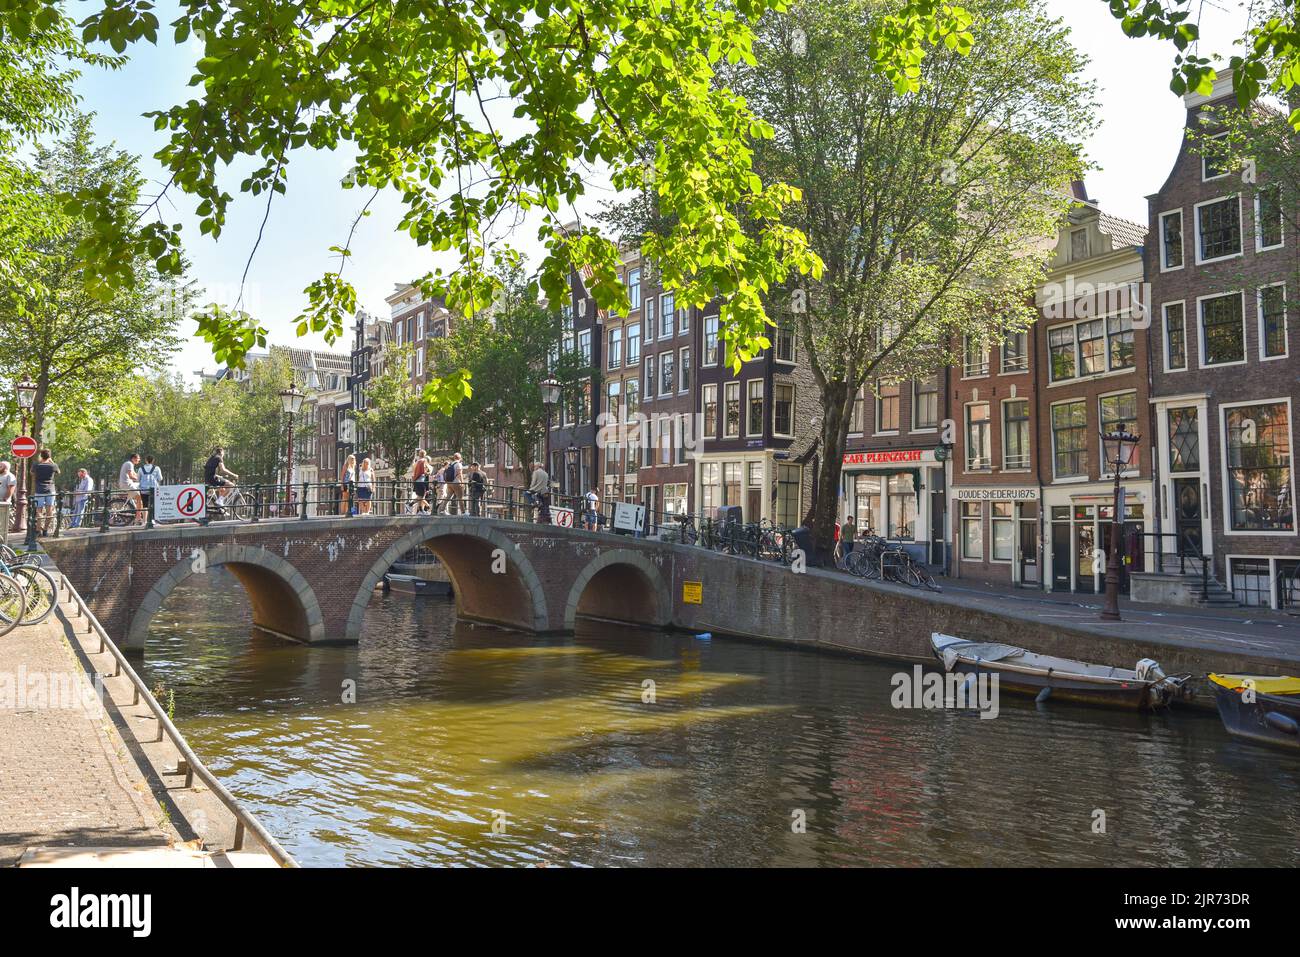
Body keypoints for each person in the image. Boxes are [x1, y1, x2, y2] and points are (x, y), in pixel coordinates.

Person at [203, 447, 239, 513]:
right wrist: (234, 475)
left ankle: (220, 508)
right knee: (231, 485)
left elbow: (209, 470)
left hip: (207, 478)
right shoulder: (219, 458)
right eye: (223, 454)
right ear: (221, 453)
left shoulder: (211, 458)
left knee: (222, 489)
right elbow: (223, 470)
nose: (223, 456)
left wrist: (218, 476)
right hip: (212, 479)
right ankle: (220, 501)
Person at [32, 449, 59, 535]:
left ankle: (38, 529)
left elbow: (31, 473)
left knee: (39, 511)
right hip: (50, 490)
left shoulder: (36, 465)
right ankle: (45, 530)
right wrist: (51, 461)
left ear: (41, 456)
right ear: (49, 456)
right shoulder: (53, 465)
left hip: (39, 490)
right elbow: (59, 472)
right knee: (49, 511)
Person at [119, 452, 142, 525]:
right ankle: (138, 518)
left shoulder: (129, 464)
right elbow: (131, 476)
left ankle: (136, 509)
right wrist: (140, 479)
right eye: (138, 458)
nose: (139, 460)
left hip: (127, 484)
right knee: (140, 499)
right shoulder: (129, 464)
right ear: (133, 458)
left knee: (140, 486)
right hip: (127, 484)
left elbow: (136, 474)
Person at [138, 454, 162, 519]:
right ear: (153, 461)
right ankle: (153, 519)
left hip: (143, 490)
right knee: (153, 505)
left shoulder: (140, 469)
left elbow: (138, 479)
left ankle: (145, 520)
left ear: (146, 460)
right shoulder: (157, 468)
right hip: (154, 490)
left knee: (145, 505)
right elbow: (160, 478)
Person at [0, 461, 16, 529]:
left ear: (6, 468)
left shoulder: (10, 476)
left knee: (3, 519)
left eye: (0, 466)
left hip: (3, 502)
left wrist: (5, 499)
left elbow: (11, 489)